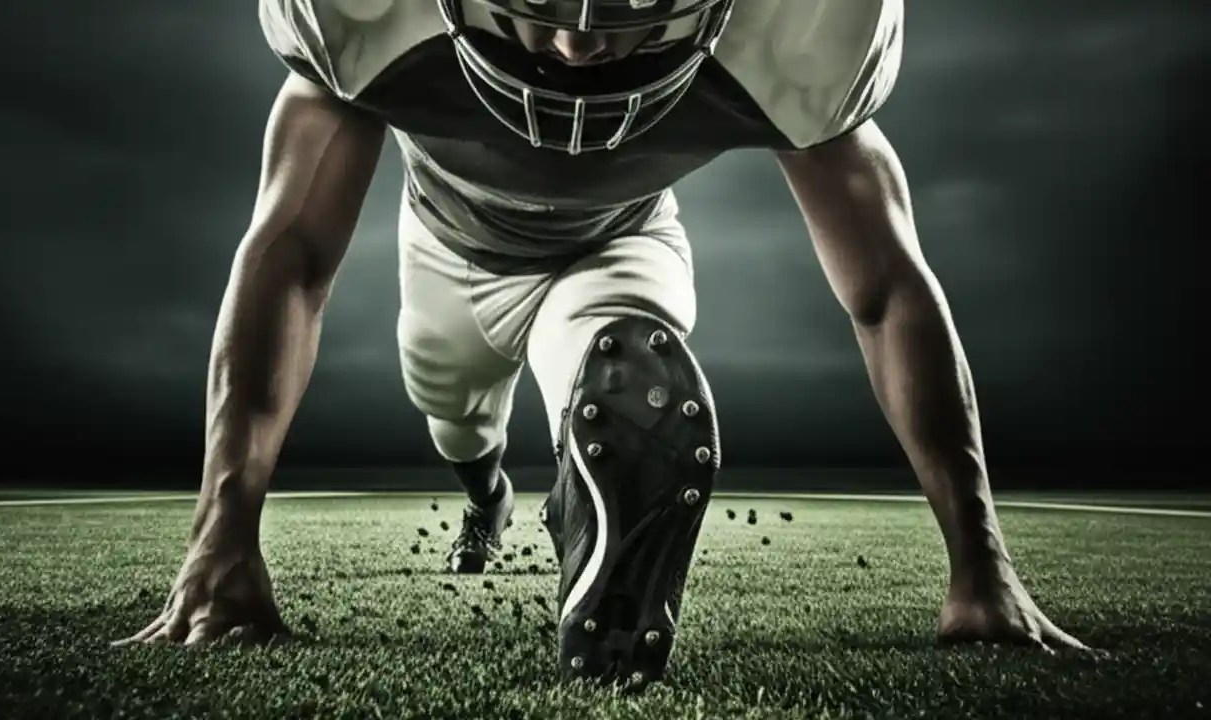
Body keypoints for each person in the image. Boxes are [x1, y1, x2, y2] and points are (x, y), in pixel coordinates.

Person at [114, 0, 1087, 687]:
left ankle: (595, 490)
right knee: (459, 422)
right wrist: (221, 535)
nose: (577, 42)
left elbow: (883, 291)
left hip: (619, 243)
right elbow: (287, 259)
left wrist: (980, 563)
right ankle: (489, 499)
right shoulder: (366, 27)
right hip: (447, 254)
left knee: (624, 346)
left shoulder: (792, 37)